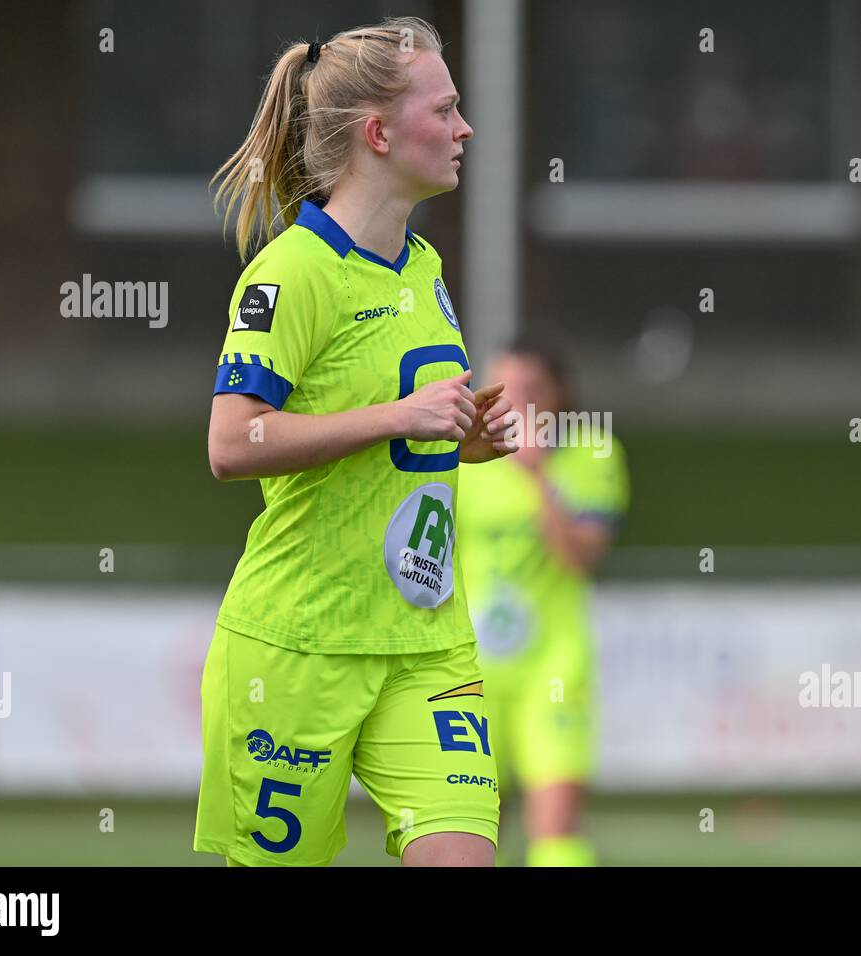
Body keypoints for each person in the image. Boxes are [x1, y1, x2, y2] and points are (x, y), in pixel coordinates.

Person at [192, 17, 521, 867]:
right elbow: (232, 443)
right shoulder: (291, 273)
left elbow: (405, 437)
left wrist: (465, 439)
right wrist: (398, 416)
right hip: (297, 650)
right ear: (379, 133)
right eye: (445, 110)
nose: (465, 128)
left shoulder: (422, 268)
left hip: (426, 644)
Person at [456, 340, 630, 865]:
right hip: (469, 672)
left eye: (532, 390)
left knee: (555, 832)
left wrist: (537, 476)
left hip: (553, 671)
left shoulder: (593, 455)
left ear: (560, 396)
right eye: (504, 390)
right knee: (470, 830)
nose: (517, 404)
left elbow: (581, 557)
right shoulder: (460, 462)